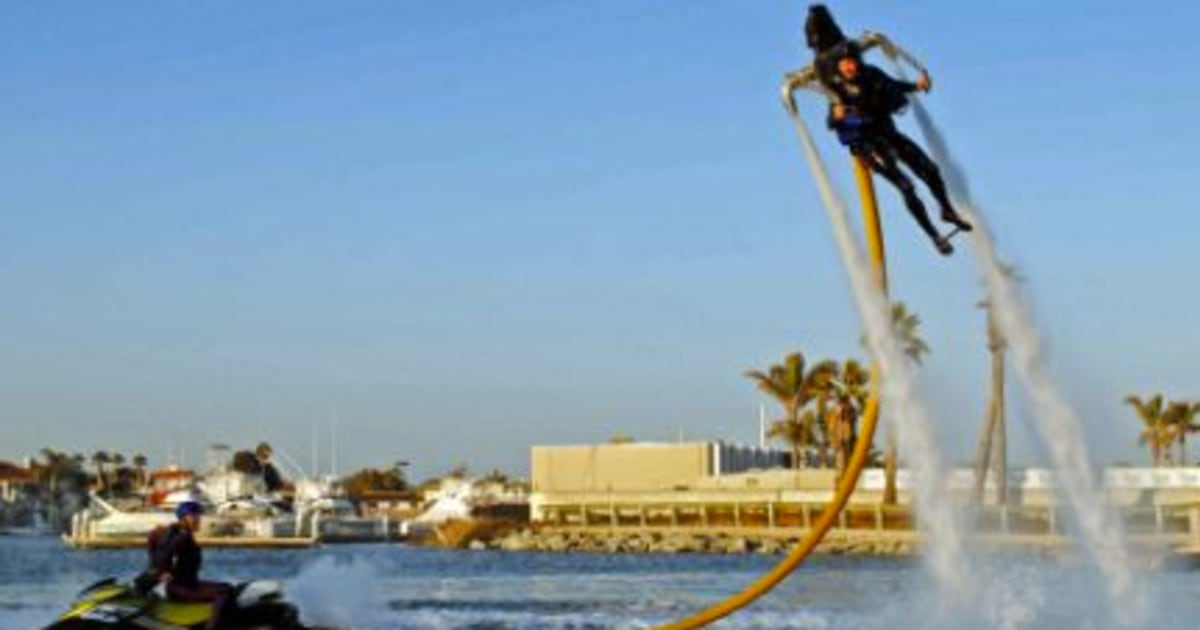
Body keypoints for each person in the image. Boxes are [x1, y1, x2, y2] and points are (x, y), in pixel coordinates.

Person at [804, 5, 973, 255]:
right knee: (907, 186)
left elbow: (895, 85)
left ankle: (947, 210)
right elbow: (833, 122)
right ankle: (934, 235)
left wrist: (916, 85)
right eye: (845, 64)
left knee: (930, 170)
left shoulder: (871, 74)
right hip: (870, 146)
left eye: (852, 62)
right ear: (838, 67)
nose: (850, 67)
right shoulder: (836, 89)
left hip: (889, 134)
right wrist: (838, 117)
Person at [143, 501, 232, 630]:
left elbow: (153, 538)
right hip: (179, 587)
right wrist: (162, 571)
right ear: (185, 517)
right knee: (224, 593)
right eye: (195, 516)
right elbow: (164, 552)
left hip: (187, 584)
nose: (199, 520)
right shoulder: (181, 536)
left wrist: (159, 566)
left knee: (227, 588)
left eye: (199, 516)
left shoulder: (177, 532)